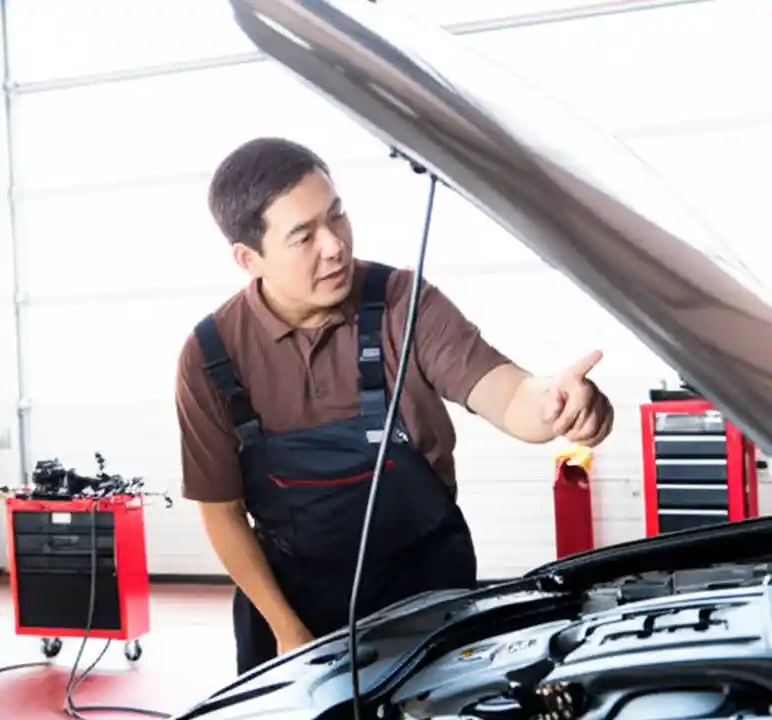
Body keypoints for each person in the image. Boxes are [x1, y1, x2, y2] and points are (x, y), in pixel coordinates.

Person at [175, 137, 615, 675]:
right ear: (250, 259)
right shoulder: (211, 357)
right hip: (290, 605)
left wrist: (555, 405)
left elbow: (505, 391)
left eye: (336, 216)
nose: (335, 245)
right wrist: (287, 630)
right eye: (303, 236)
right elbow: (221, 513)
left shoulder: (404, 304)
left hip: (426, 592)